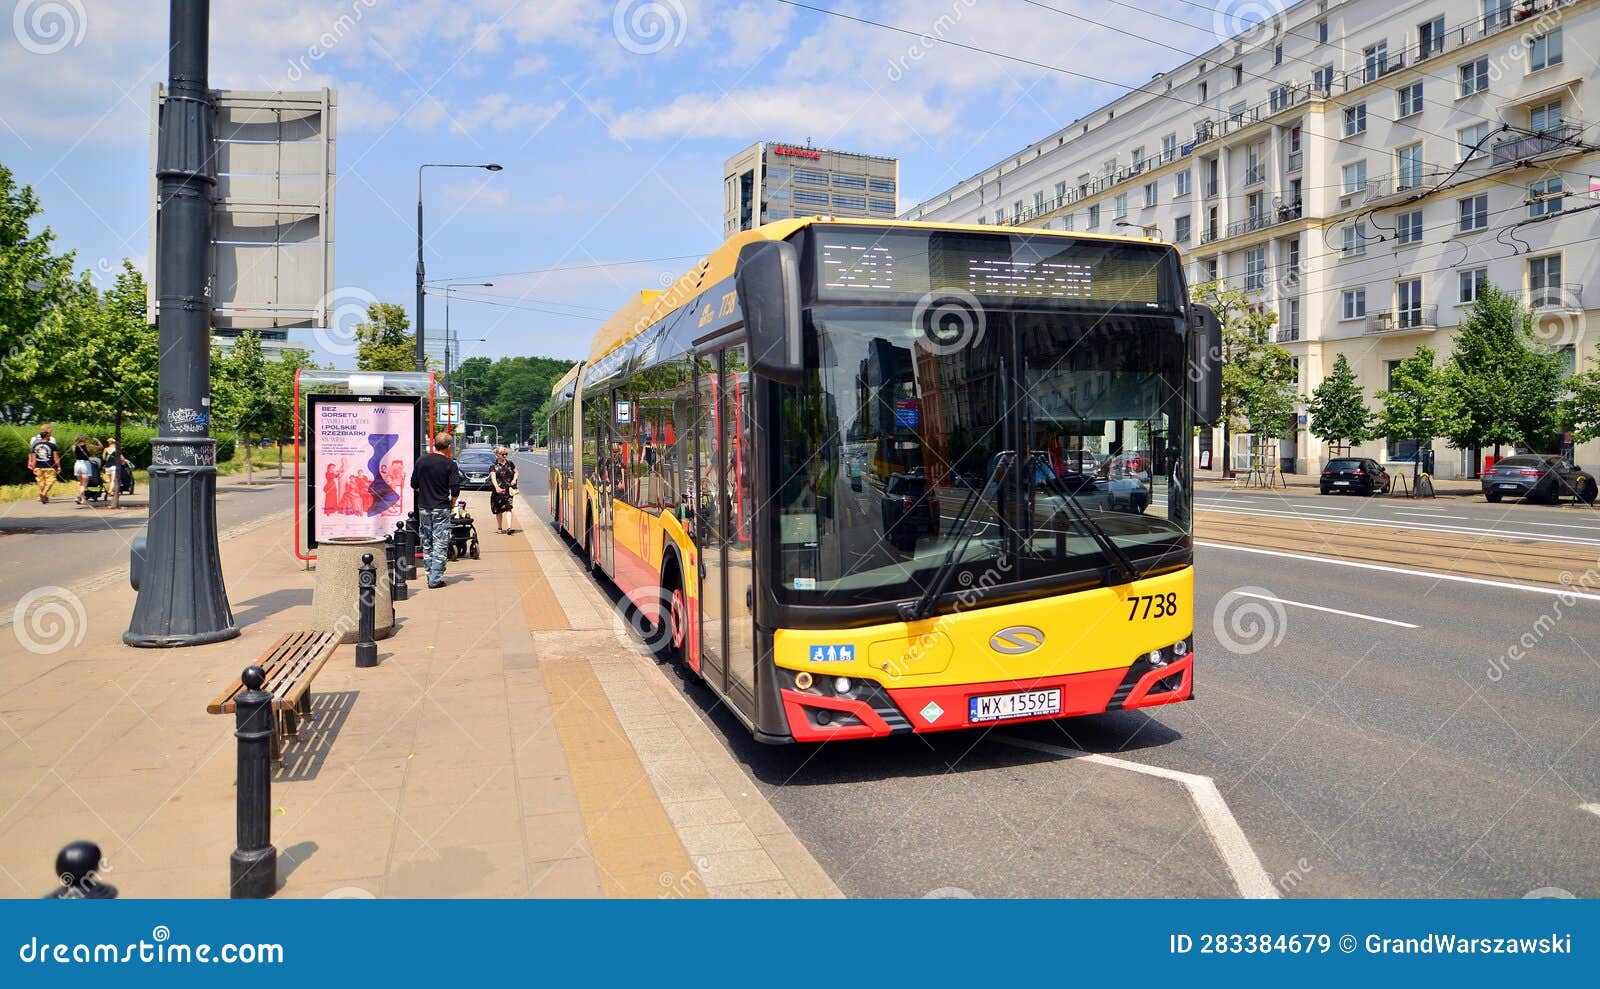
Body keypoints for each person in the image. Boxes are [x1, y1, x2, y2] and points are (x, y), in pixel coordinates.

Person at [411, 431, 463, 589]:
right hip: (440, 507)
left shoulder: (421, 461)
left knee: (427, 541)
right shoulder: (450, 464)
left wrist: (426, 492)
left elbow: (414, 484)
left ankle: (429, 574)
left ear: (434, 444)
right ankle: (435, 579)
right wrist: (452, 503)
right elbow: (455, 489)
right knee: (440, 542)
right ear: (448, 447)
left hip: (424, 507)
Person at [489, 446, 520, 535]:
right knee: (498, 510)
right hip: (497, 491)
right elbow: (493, 478)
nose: (505, 456)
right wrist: (497, 488)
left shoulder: (510, 464)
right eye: (503, 454)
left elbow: (516, 472)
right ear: (497, 455)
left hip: (508, 490)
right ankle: (500, 527)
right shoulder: (493, 466)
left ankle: (509, 528)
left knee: (508, 508)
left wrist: (514, 479)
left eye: (506, 454)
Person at [28, 426, 61, 504]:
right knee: (51, 481)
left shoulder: (35, 446)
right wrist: (58, 466)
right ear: (47, 436)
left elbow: (34, 458)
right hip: (50, 466)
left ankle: (44, 496)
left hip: (38, 466)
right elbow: (55, 457)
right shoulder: (52, 445)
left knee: (41, 482)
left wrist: (33, 467)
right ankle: (43, 493)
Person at [102, 437, 125, 510]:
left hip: (107, 466)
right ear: (114, 443)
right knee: (113, 480)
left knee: (110, 480)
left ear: (109, 443)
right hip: (114, 466)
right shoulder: (117, 449)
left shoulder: (106, 449)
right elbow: (122, 458)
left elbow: (103, 458)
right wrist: (123, 461)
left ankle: (111, 490)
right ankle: (110, 491)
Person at [71, 435, 94, 506]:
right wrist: (97, 440)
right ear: (84, 440)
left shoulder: (74, 447)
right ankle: (78, 495)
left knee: (81, 483)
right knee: (84, 484)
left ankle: (82, 499)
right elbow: (100, 447)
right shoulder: (88, 446)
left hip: (77, 464)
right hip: (85, 464)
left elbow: (75, 454)